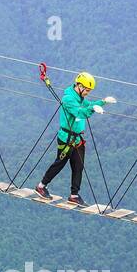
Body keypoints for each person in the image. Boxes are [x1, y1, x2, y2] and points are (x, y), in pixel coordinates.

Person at [35, 72, 115, 205]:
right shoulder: (69, 99)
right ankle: (41, 186)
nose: (88, 93)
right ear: (79, 86)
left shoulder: (80, 97)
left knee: (78, 166)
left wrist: (103, 102)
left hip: (77, 139)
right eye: (87, 90)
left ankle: (74, 195)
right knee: (59, 163)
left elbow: (88, 105)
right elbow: (80, 112)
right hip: (66, 138)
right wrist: (93, 109)